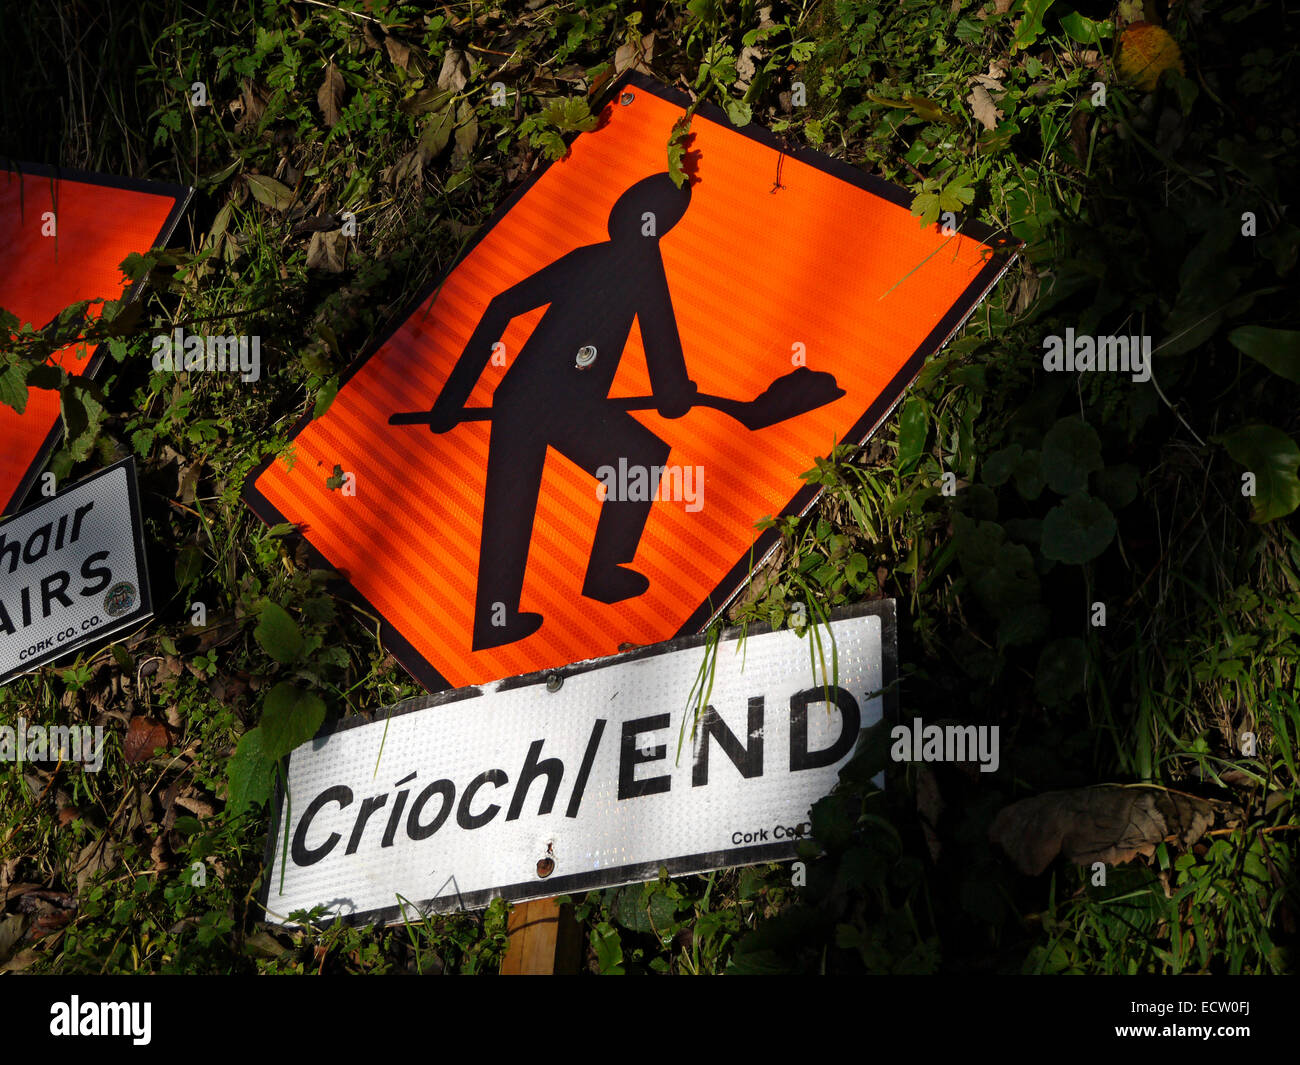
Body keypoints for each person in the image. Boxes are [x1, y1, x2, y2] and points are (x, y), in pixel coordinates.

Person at [423, 173, 698, 651]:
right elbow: (664, 362)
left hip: (522, 397)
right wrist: (675, 396)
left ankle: (498, 618)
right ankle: (603, 571)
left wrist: (453, 398)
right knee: (638, 459)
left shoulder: (595, 257)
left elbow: (500, 308)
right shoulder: (641, 268)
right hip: (561, 402)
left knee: (515, 500)